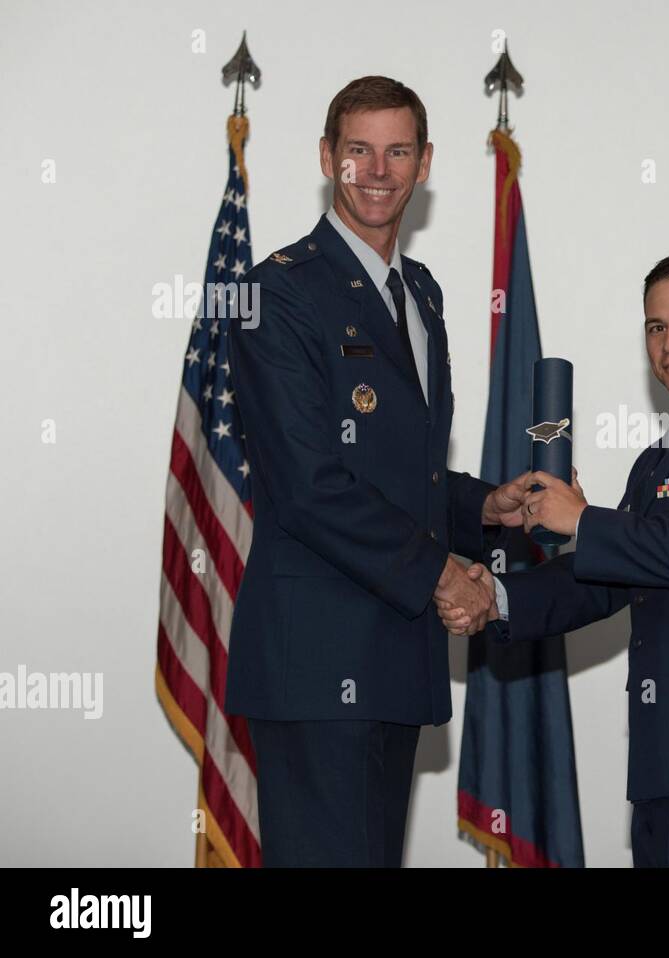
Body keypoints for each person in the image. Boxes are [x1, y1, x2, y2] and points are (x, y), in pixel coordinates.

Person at [227, 76, 524, 867]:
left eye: (398, 151)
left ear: (425, 163)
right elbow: (308, 486)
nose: (379, 170)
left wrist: (485, 506)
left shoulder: (419, 294)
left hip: (393, 658)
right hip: (320, 663)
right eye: (359, 150)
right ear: (328, 158)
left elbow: (409, 478)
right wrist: (438, 573)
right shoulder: (274, 292)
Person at [440, 253, 669, 867]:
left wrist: (583, 520)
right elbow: (608, 576)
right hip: (664, 758)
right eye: (656, 326)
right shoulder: (660, 458)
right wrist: (498, 597)